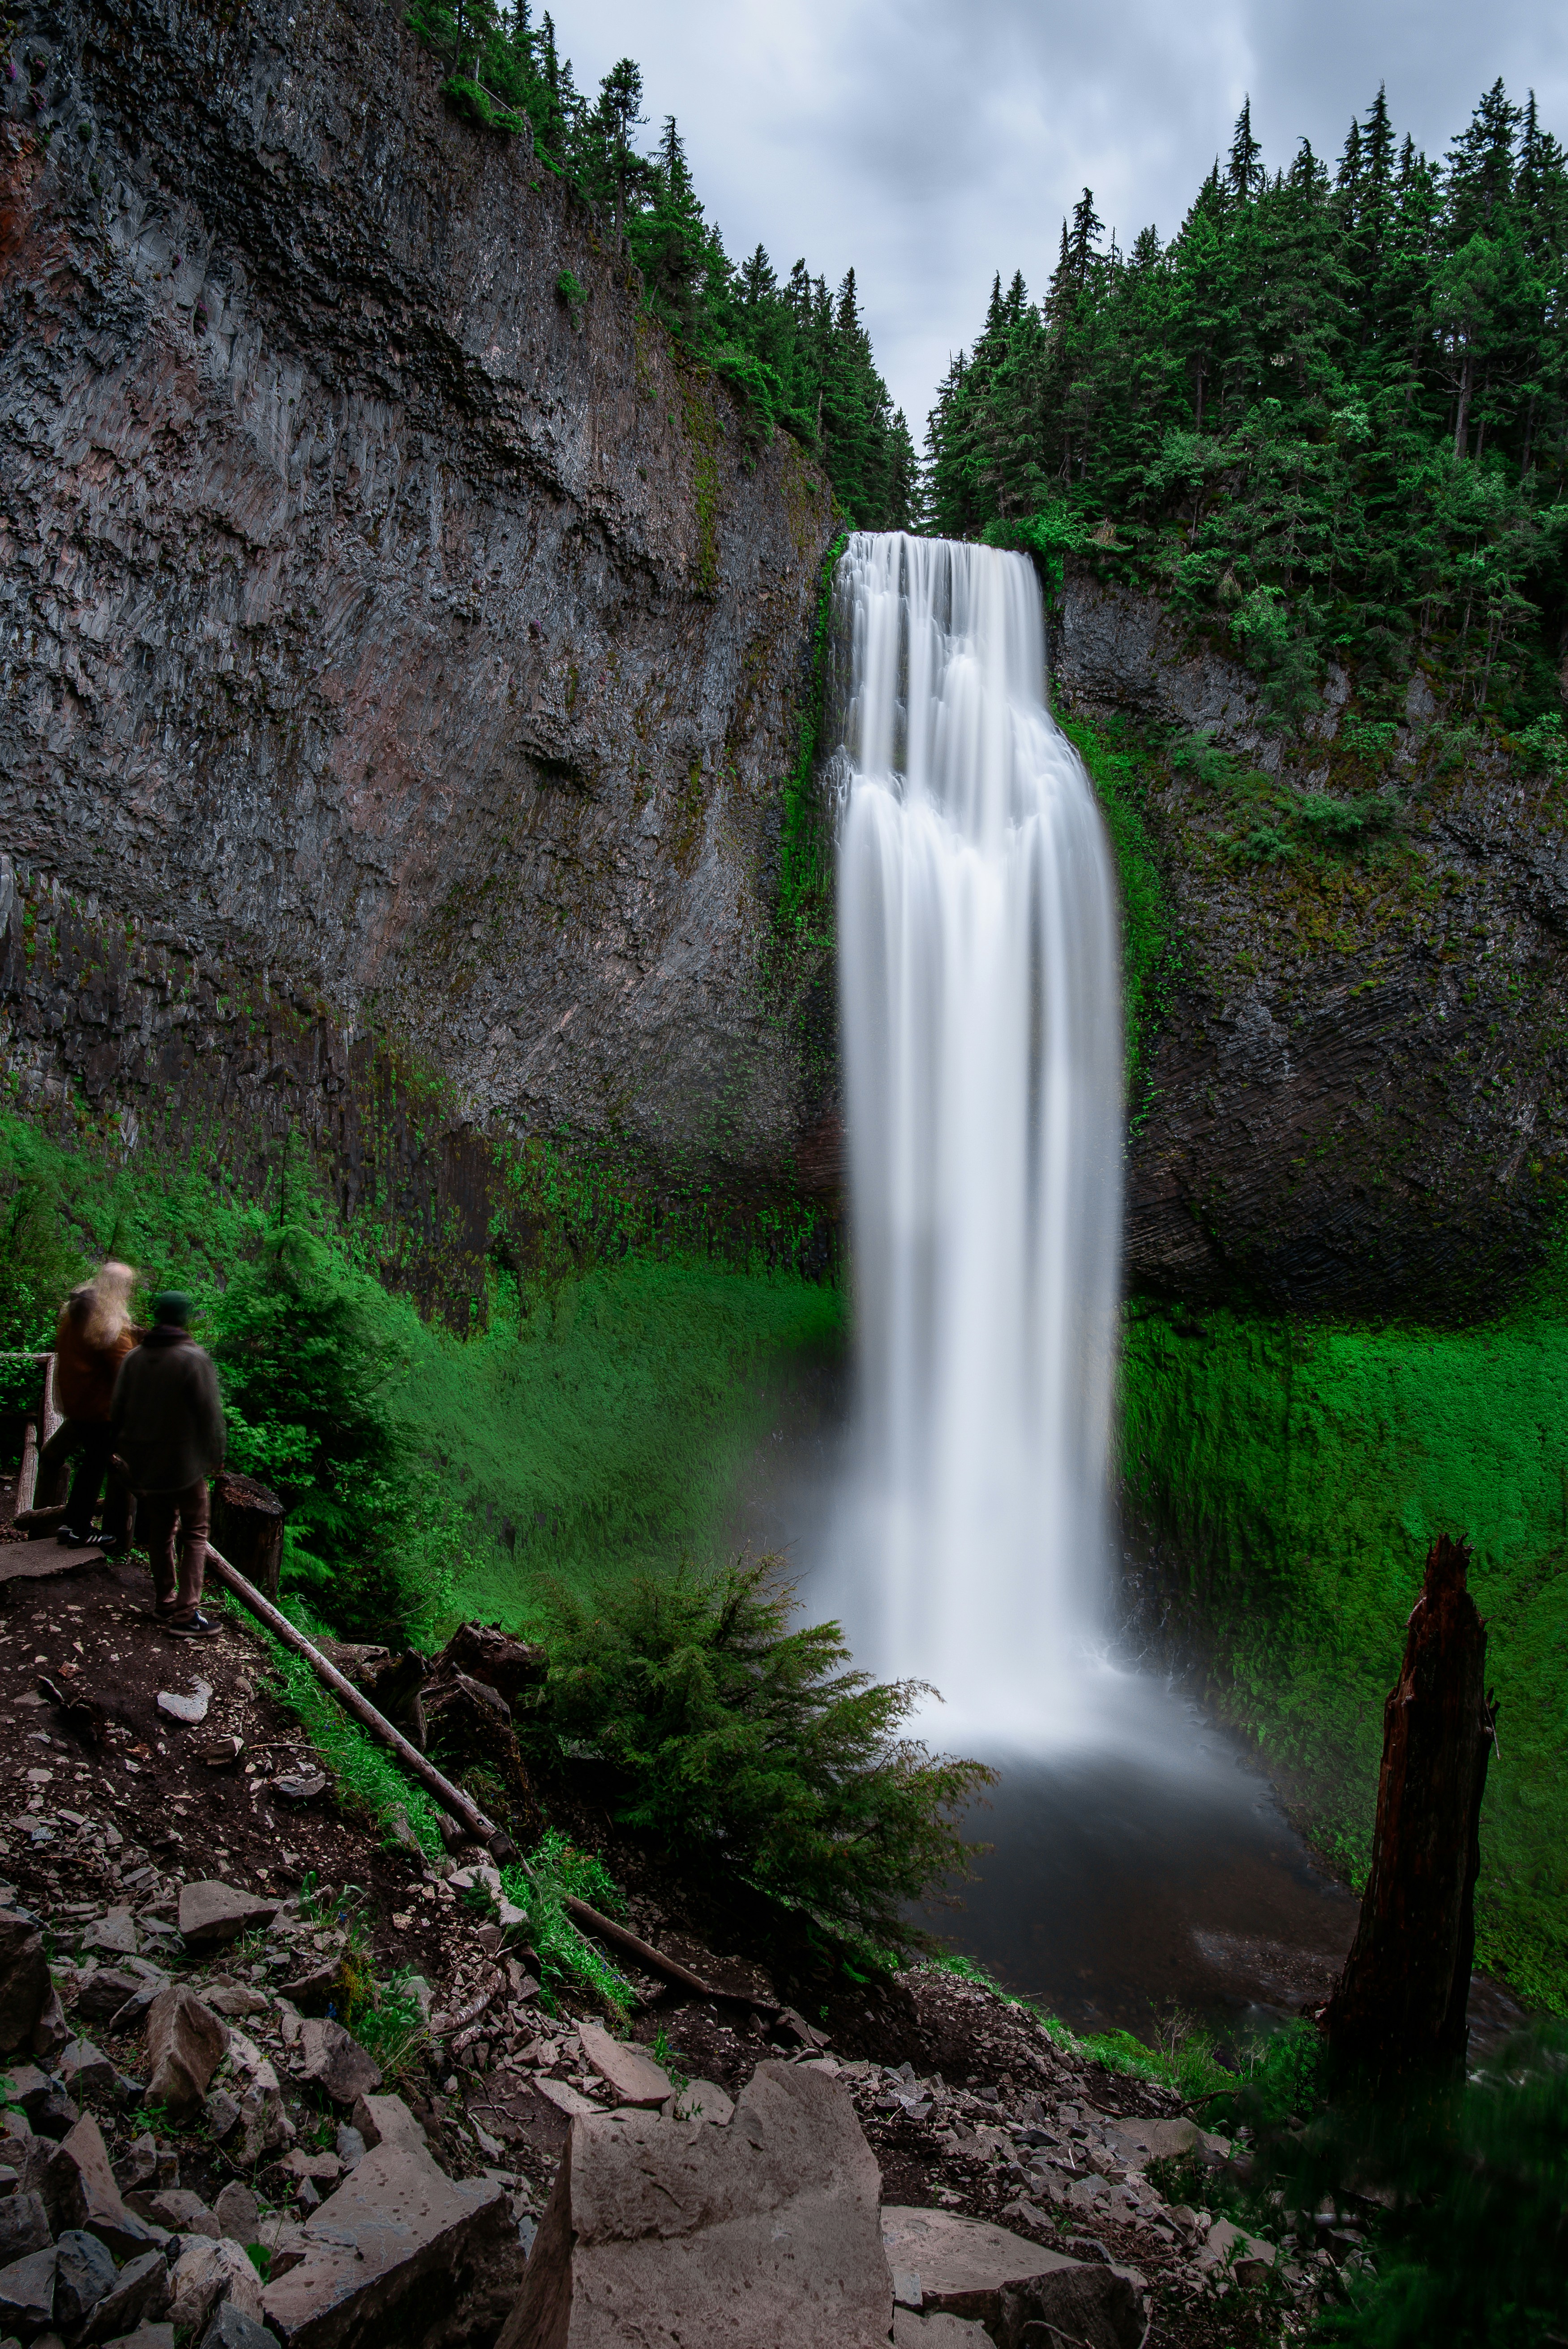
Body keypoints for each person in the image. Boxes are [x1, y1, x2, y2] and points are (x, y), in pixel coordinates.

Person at [110, 1291, 226, 1637]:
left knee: (161, 1530)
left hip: (146, 1463)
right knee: (194, 1532)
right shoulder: (193, 1358)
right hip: (184, 1463)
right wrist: (216, 1457)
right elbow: (210, 1415)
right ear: (183, 1319)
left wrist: (125, 1455)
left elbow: (117, 1411)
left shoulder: (134, 1358)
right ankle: (187, 1614)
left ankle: (165, 1599)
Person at [39, 1262, 138, 1549]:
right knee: (95, 1467)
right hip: (99, 1408)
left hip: (75, 1401)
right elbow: (125, 1369)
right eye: (128, 1285)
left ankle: (72, 1523)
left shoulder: (77, 1308)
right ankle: (81, 1530)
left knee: (90, 1465)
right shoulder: (108, 1321)